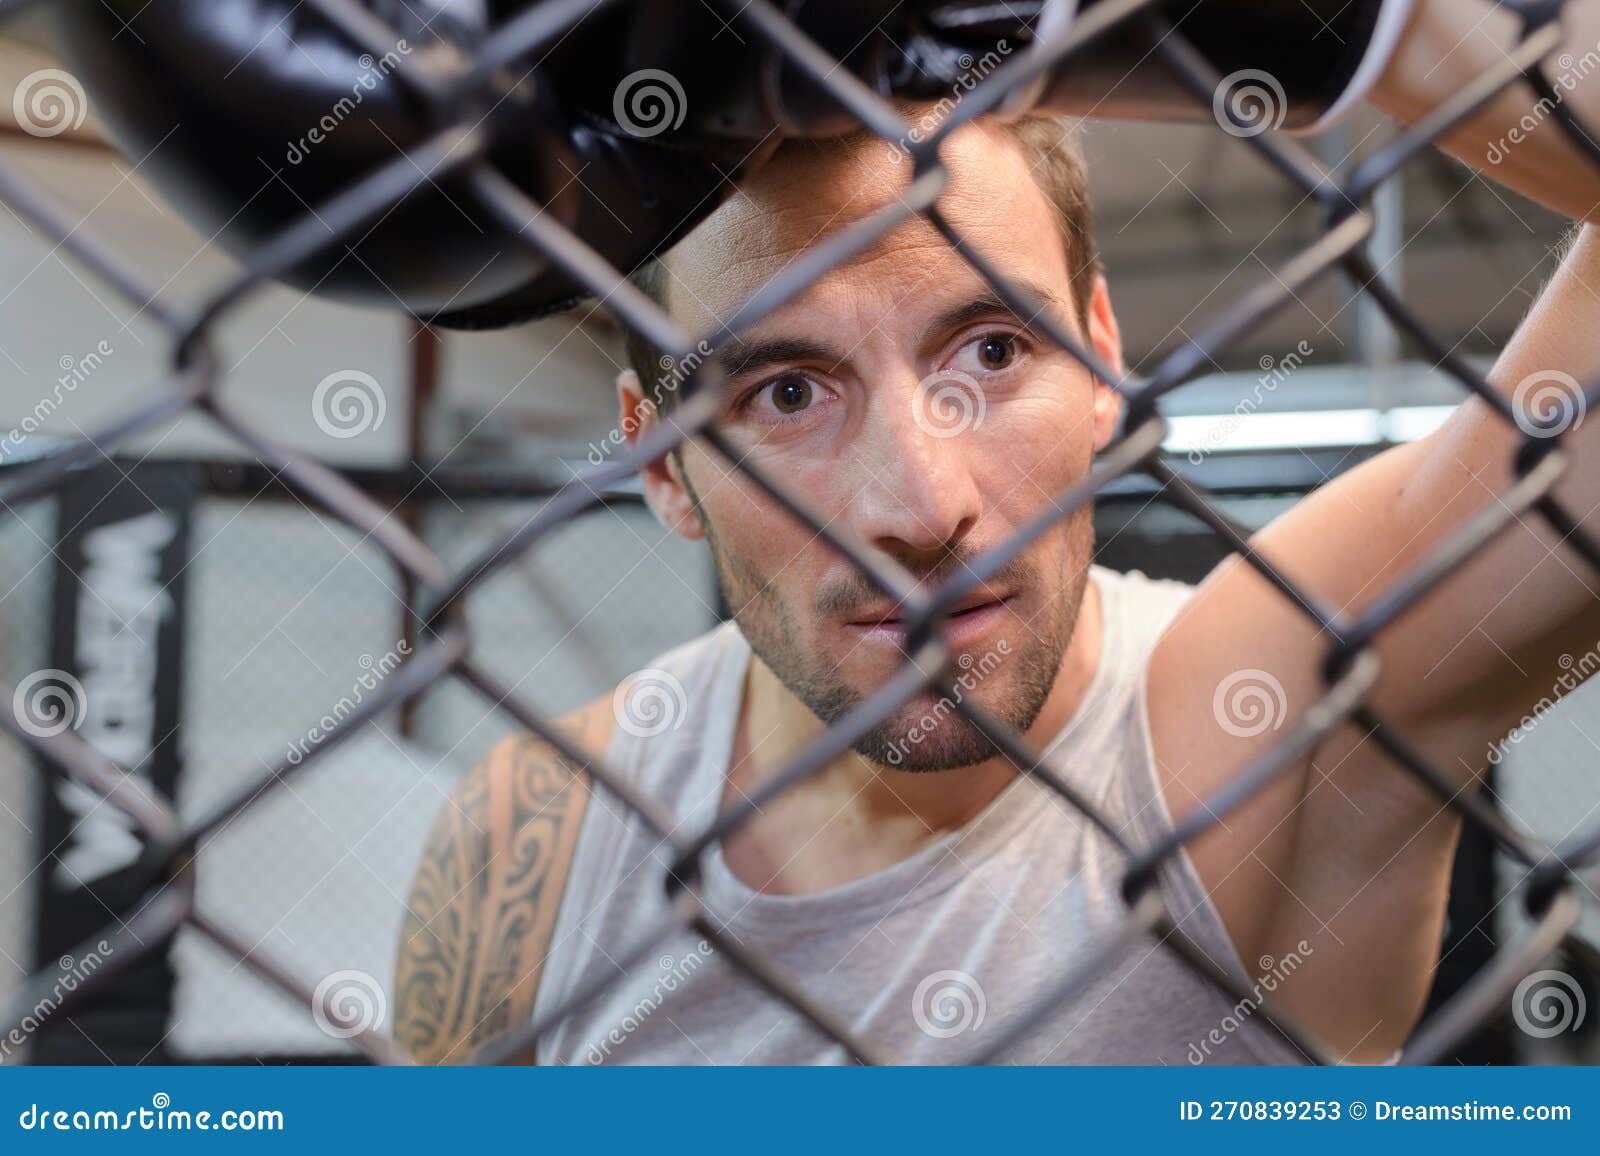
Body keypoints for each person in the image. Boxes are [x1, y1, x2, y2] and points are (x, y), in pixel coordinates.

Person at [393, 0, 1600, 1064]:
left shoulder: (1272, 722)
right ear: (661, 459)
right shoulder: (541, 836)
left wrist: (1288, 22)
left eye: (989, 351)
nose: (920, 510)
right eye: (787, 391)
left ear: (1101, 361)